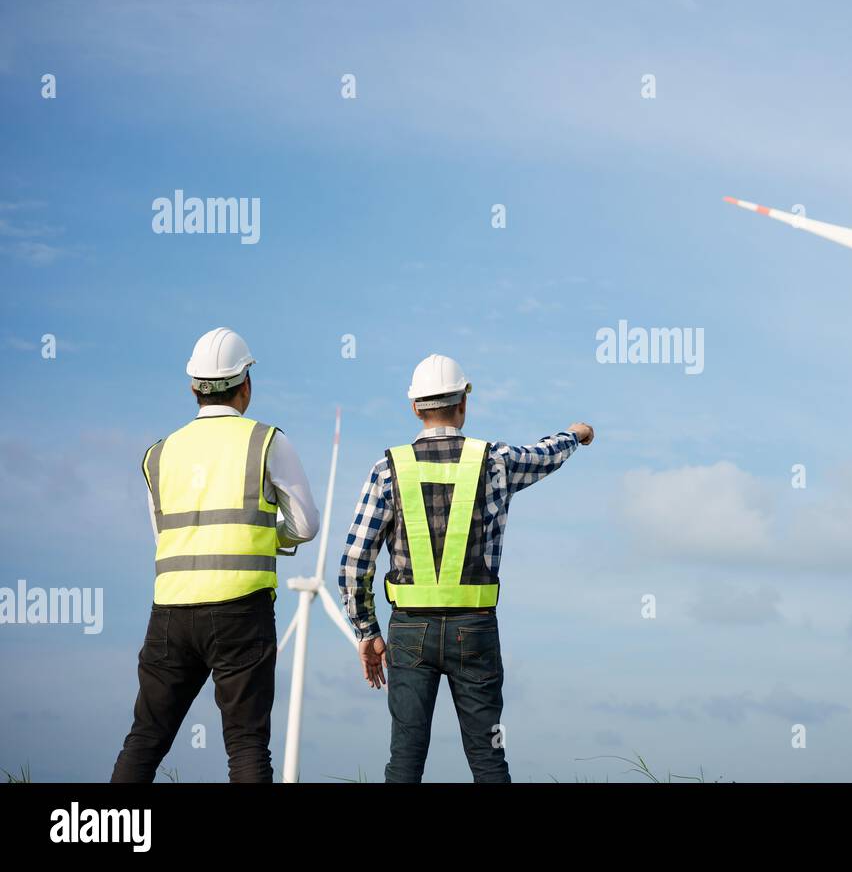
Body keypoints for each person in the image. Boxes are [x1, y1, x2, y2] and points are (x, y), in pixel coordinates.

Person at [338, 353, 593, 782]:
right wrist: (575, 434)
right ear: (464, 404)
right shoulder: (495, 460)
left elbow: (353, 563)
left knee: (405, 758)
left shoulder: (388, 469)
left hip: (408, 633)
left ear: (414, 407)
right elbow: (544, 454)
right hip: (474, 630)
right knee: (488, 758)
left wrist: (367, 630)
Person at [111, 327, 319, 782]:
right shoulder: (267, 441)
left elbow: (164, 534)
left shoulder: (159, 454)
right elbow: (306, 525)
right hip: (241, 612)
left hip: (170, 613)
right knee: (245, 744)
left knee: (145, 738)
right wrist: (268, 537)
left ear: (193, 388)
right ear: (246, 383)